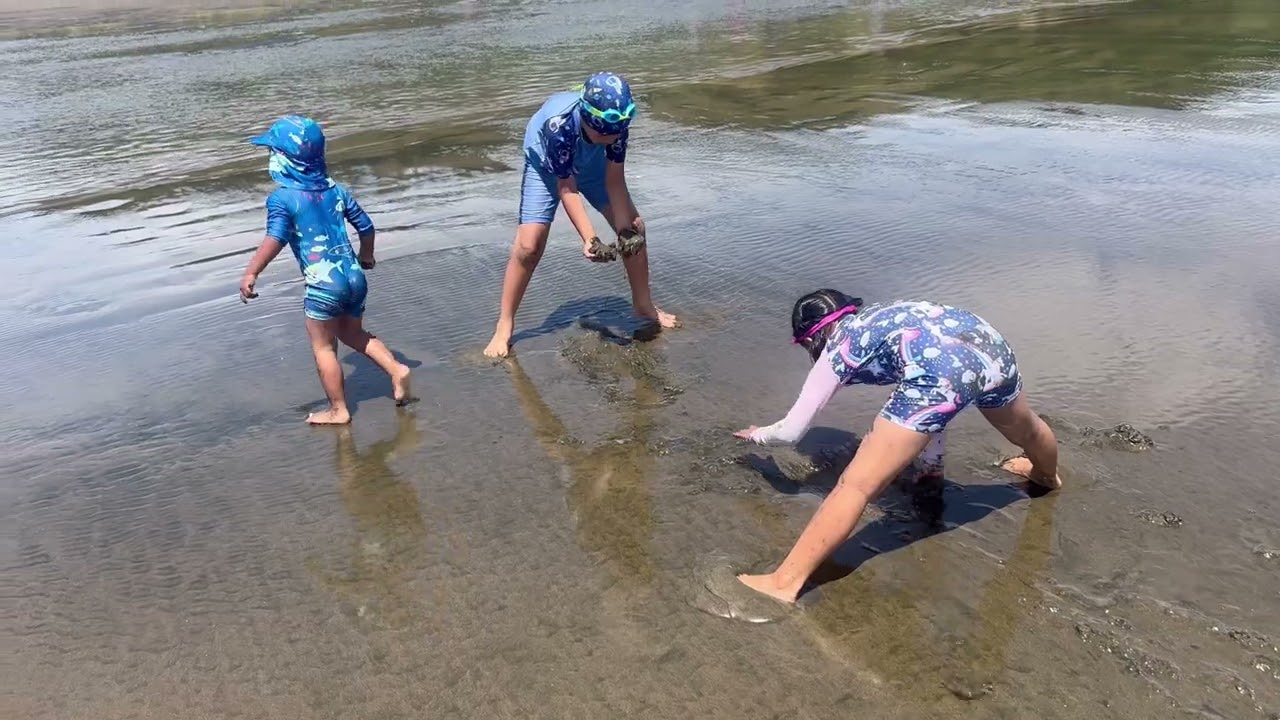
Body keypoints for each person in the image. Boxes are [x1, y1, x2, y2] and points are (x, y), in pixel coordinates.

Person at [732, 289, 1061, 605]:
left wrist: (759, 434)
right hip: (988, 347)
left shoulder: (839, 346)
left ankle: (783, 583)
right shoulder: (878, 318)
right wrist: (931, 469)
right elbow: (936, 397)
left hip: (940, 374)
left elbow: (792, 430)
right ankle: (1047, 477)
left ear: (811, 338)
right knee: (1028, 429)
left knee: (855, 486)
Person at [482, 71, 680, 358]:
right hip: (548, 168)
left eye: (617, 131)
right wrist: (589, 238)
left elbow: (615, 182)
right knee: (529, 246)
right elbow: (566, 187)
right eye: (606, 131)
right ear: (590, 119)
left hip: (592, 166)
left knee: (636, 229)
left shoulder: (616, 127)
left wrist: (625, 230)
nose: (613, 136)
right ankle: (504, 324)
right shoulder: (557, 125)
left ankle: (643, 304)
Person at [238, 115, 411, 424]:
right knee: (353, 332)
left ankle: (338, 410)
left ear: (286, 160)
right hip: (354, 278)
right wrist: (366, 257)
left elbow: (275, 238)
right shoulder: (336, 190)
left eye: (273, 153)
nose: (270, 159)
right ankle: (397, 370)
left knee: (323, 347)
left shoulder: (282, 199)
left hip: (323, 286)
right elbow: (366, 226)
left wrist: (252, 272)